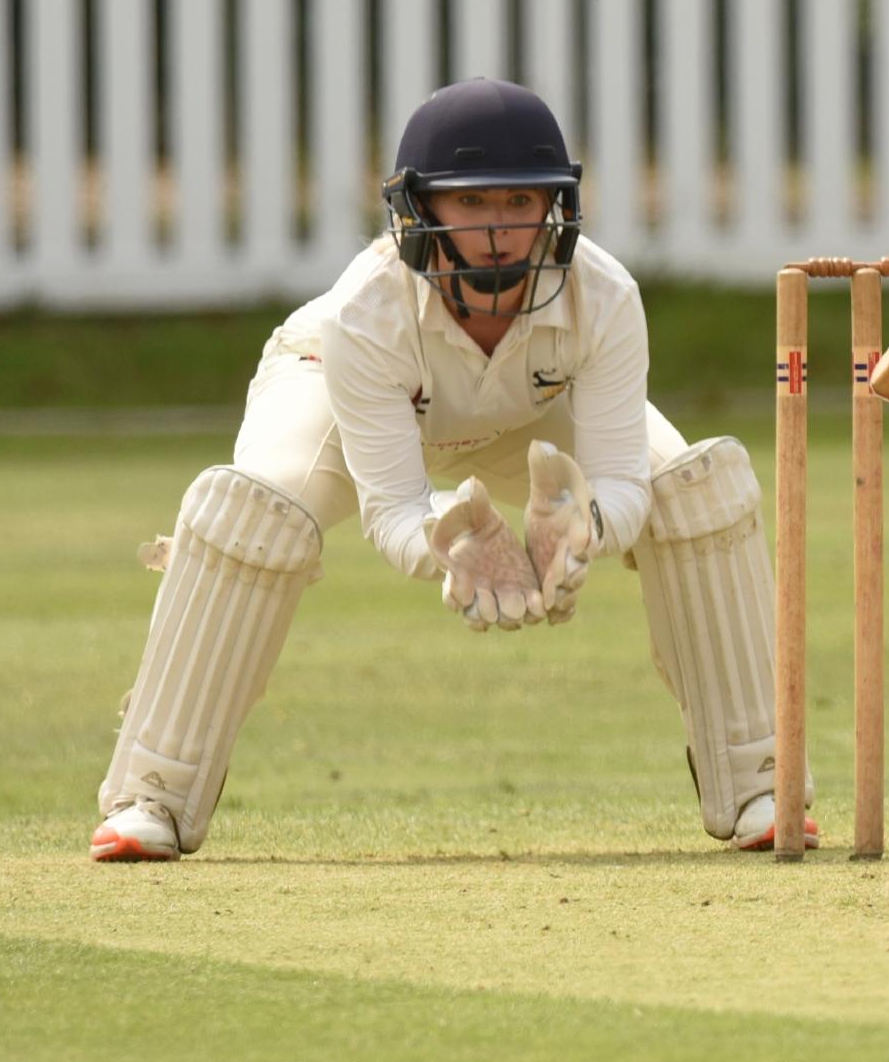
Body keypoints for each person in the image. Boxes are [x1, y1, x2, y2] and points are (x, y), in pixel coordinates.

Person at [89, 78, 799, 861]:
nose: (498, 231)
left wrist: (581, 528)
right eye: (472, 204)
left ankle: (760, 781)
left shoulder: (605, 298)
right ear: (421, 209)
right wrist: (450, 543)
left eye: (518, 203)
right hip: (335, 381)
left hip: (531, 411)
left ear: (554, 206)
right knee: (247, 515)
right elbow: (390, 506)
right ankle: (152, 795)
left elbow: (627, 481)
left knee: (698, 493)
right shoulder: (364, 311)